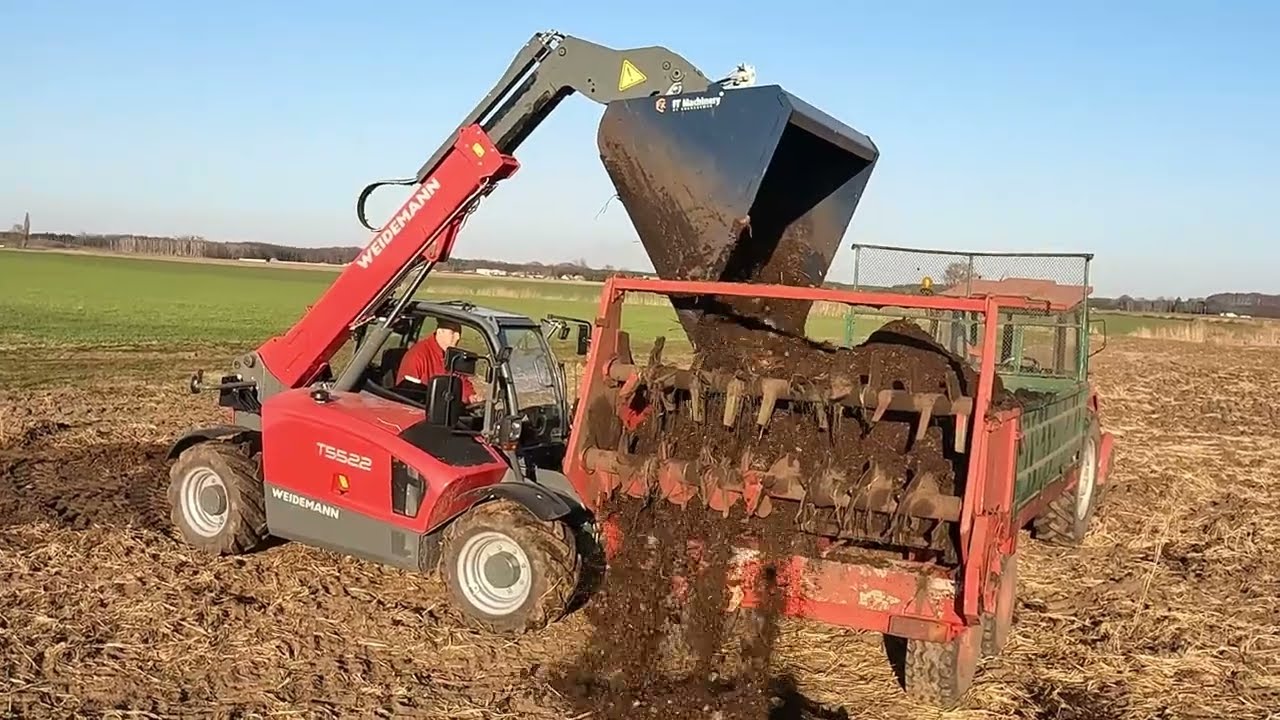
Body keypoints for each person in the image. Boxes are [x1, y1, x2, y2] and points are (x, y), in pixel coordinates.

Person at [395, 318, 481, 403]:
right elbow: (406, 393)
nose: (458, 337)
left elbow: (462, 382)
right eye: (453, 332)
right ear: (440, 332)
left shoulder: (454, 356)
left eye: (459, 332)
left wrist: (471, 397)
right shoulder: (417, 355)